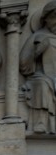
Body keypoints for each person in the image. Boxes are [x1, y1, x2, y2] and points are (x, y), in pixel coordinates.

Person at [20, 1, 56, 134]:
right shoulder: (37, 37)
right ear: (46, 19)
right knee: (43, 84)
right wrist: (37, 53)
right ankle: (40, 123)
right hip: (40, 76)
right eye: (54, 18)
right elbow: (23, 64)